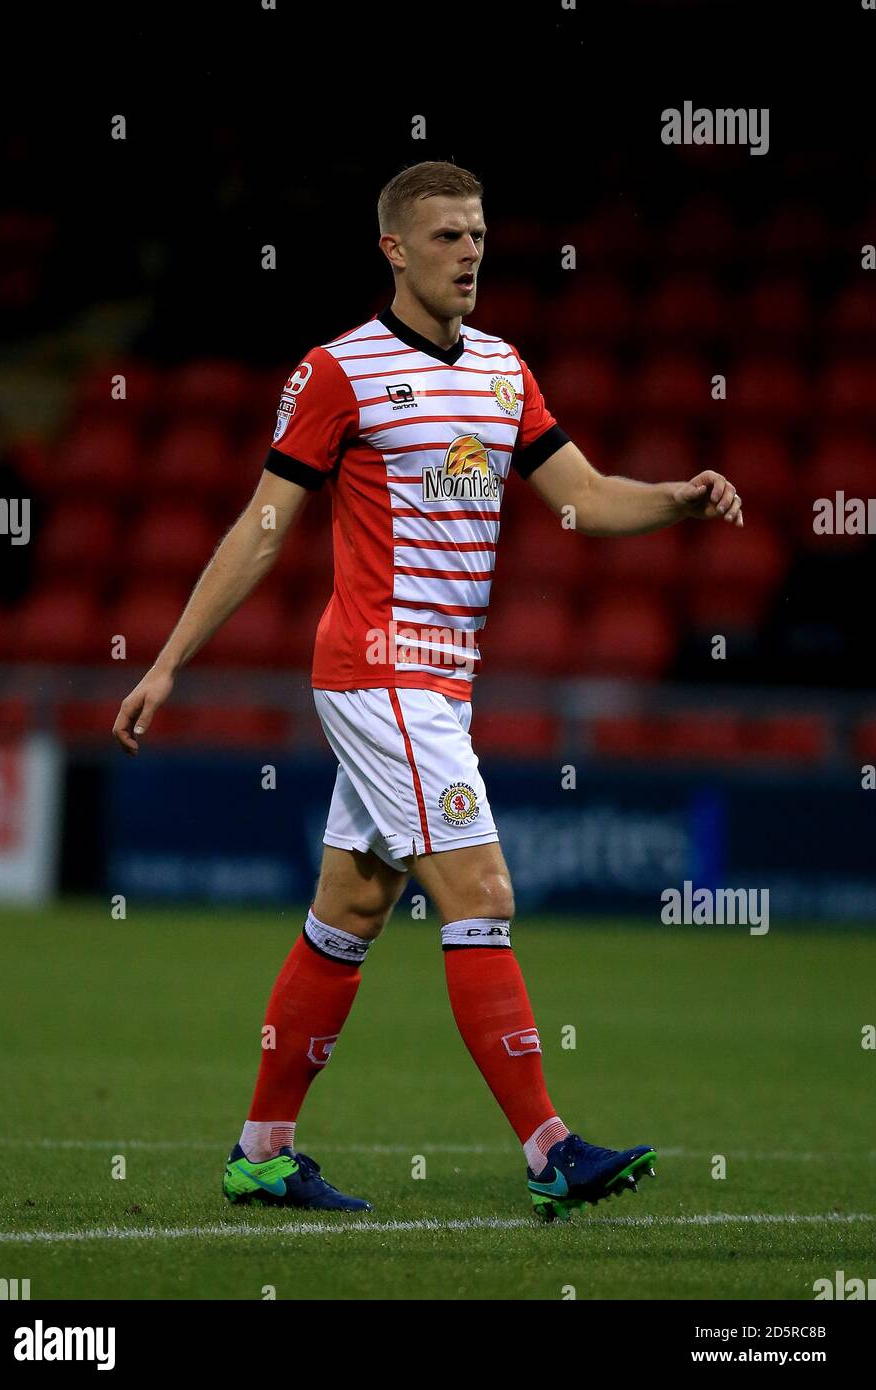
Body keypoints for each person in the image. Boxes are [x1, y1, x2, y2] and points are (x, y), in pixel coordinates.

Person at [113, 160, 743, 1223]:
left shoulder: (504, 372)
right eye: (447, 237)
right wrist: (171, 656)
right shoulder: (338, 373)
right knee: (483, 892)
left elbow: (582, 499)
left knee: (353, 903)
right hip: (379, 666)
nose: (470, 256)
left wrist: (676, 501)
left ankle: (263, 1152)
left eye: (480, 236)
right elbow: (265, 526)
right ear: (395, 251)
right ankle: (550, 1150)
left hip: (440, 683)